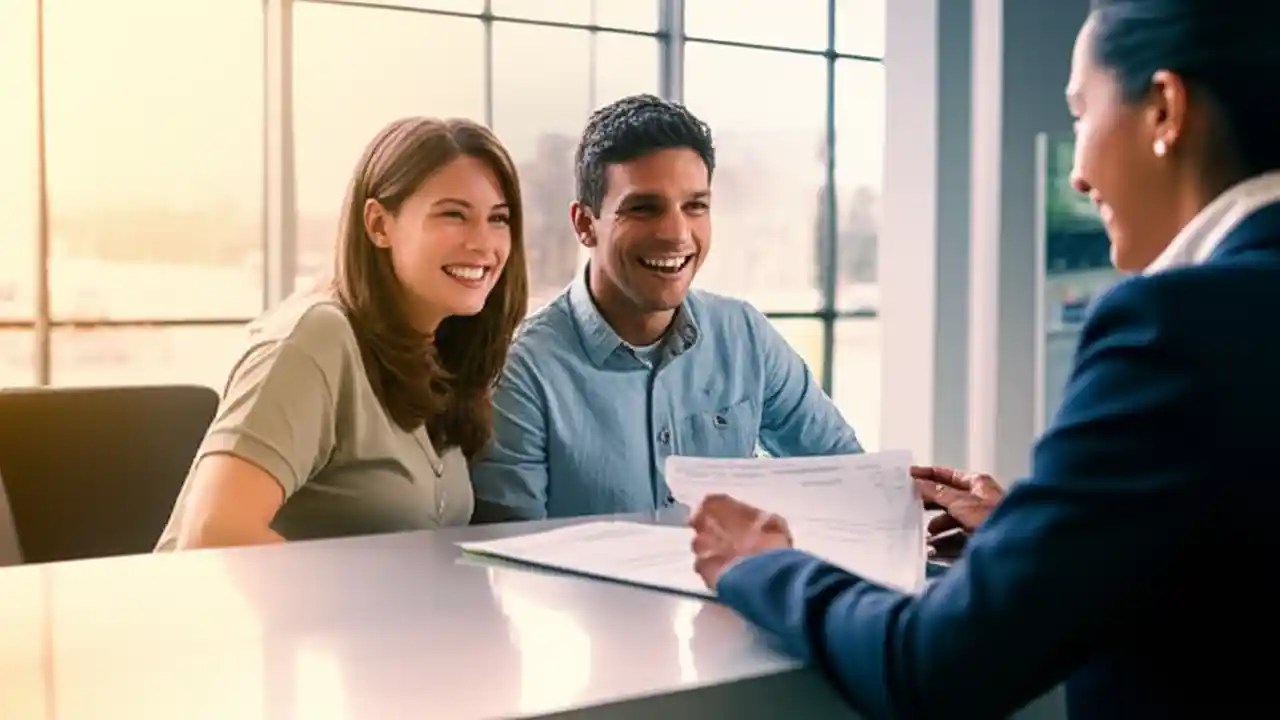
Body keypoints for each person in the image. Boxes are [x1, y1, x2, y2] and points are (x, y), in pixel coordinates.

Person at [687, 1, 1280, 717]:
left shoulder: (1172, 330)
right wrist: (1030, 537)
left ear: (1163, 108)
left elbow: (937, 665)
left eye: (1079, 113)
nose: (1078, 176)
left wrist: (765, 566)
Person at [469, 94, 862, 522]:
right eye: (643, 208)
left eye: (695, 206)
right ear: (585, 224)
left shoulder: (744, 335)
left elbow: (848, 478)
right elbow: (510, 563)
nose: (677, 234)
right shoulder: (524, 371)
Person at [155, 117, 527, 550]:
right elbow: (213, 535)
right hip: (262, 617)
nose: (484, 243)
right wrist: (357, 616)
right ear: (379, 225)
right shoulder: (315, 338)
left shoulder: (443, 349)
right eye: (454, 215)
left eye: (498, 219)